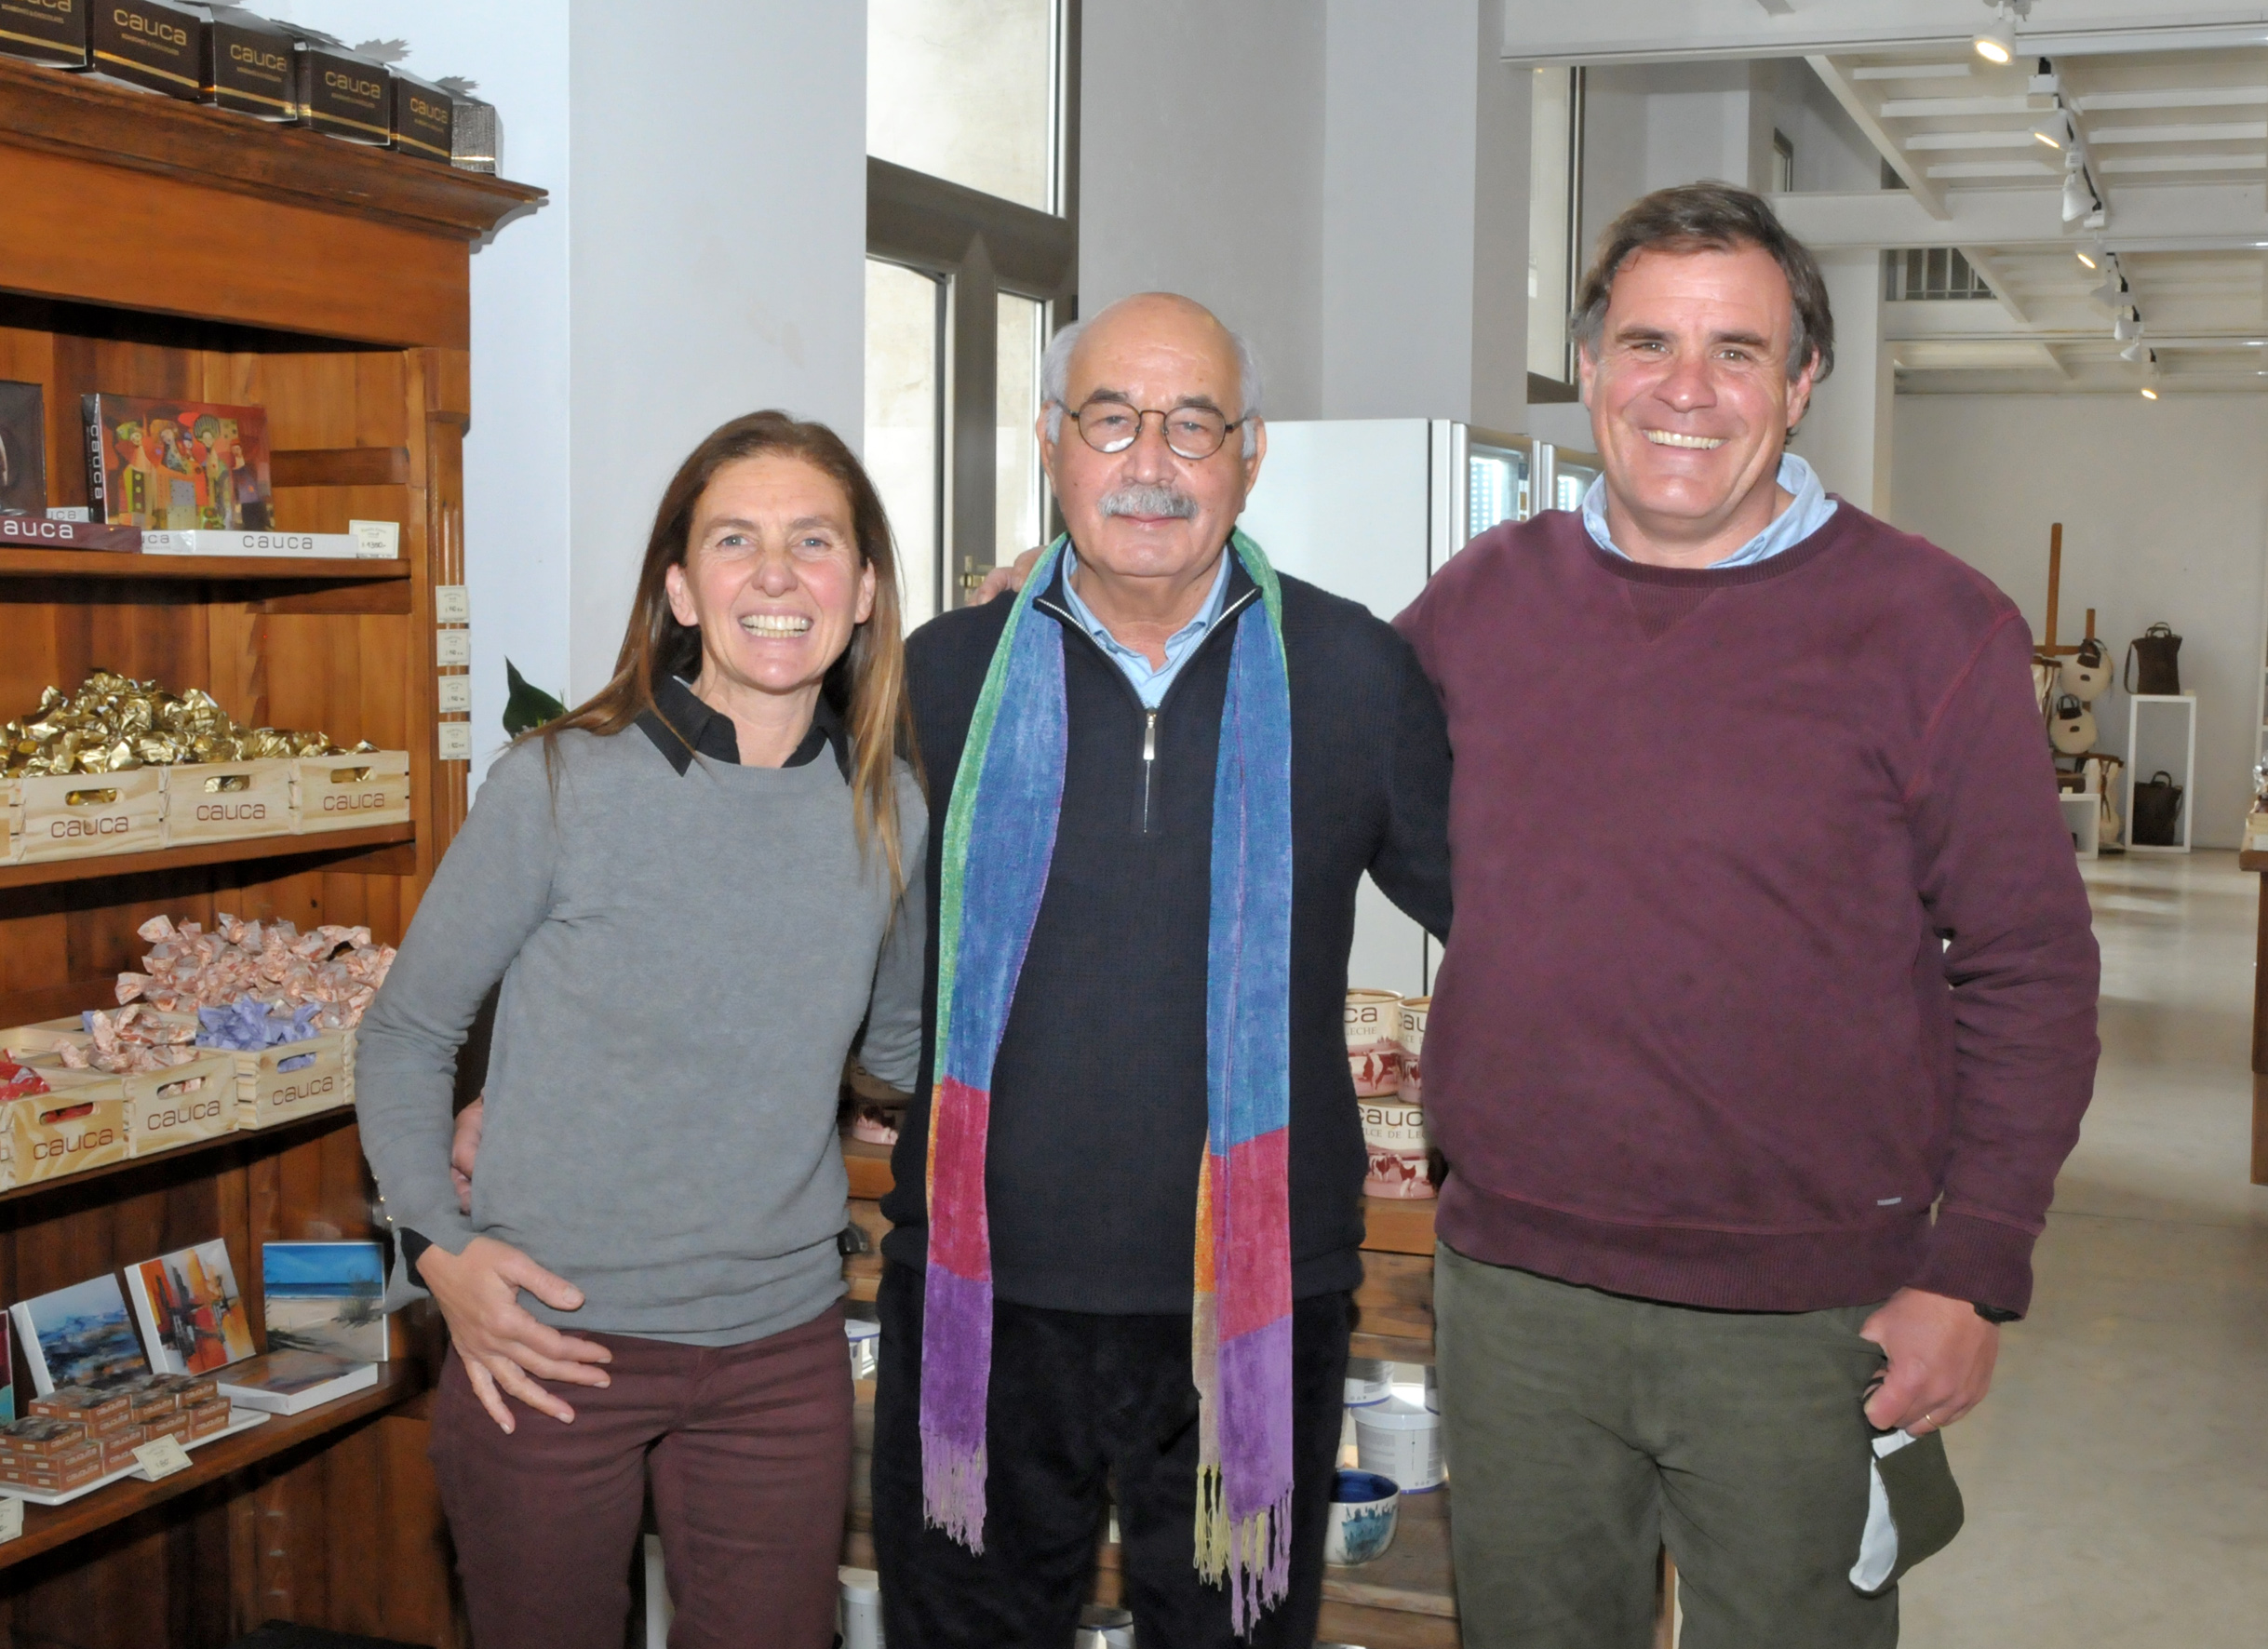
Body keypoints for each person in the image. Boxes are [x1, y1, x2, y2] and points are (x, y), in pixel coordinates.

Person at [1394, 181, 2101, 1648]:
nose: (1685, 390)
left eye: (1735, 351)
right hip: (1517, 1300)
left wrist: (1969, 1267)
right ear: (1588, 367)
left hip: (1809, 1320)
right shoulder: (1484, 599)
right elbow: (1330, 762)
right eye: (1646, 342)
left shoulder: (1929, 626)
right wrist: (1071, 598)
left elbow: (2028, 969)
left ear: (1799, 381)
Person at [871, 292, 1453, 1647]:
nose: (1149, 463)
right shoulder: (939, 678)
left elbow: (1509, 917)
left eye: (1191, 425)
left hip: (1249, 1315)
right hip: (981, 1304)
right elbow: (797, 921)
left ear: (1250, 455)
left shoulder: (1353, 674)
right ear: (1049, 444)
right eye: (1111, 421)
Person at [356, 411, 925, 1649]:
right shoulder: (559, 785)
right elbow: (403, 1033)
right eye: (736, 541)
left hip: (779, 1352)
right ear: (680, 588)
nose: (776, 575)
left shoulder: (891, 816)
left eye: (813, 542)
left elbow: (894, 1053)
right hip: (546, 1343)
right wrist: (440, 1255)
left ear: (865, 589)